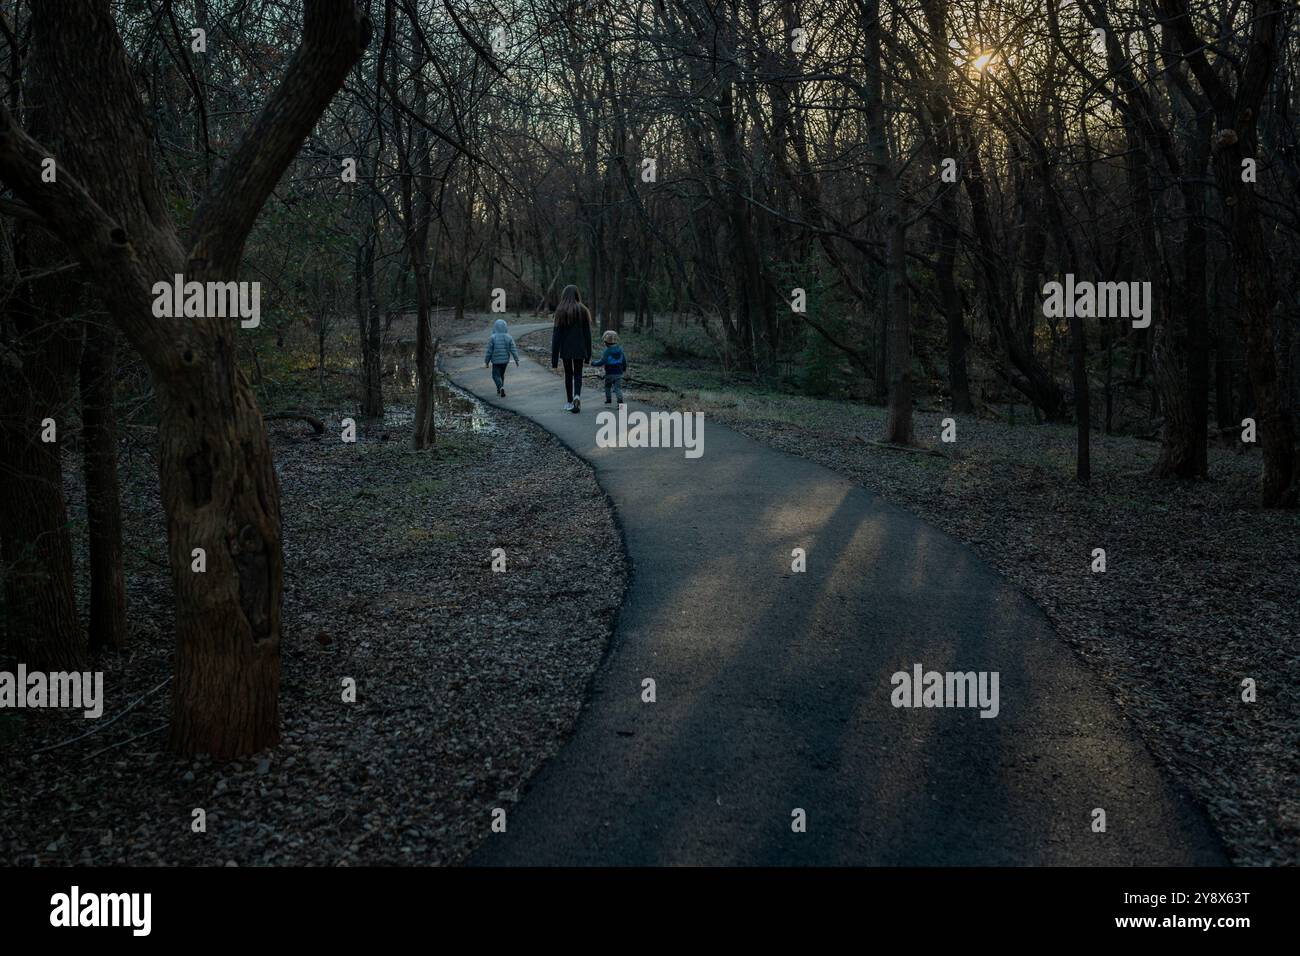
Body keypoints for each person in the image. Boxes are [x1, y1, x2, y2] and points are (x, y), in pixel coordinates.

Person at [550, 284, 592, 412]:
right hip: (580, 348)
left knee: (568, 374)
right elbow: (587, 335)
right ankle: (577, 396)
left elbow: (556, 337)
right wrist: (588, 354)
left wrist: (554, 359)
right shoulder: (583, 310)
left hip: (566, 349)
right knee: (578, 374)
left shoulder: (560, 311)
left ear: (564, 295)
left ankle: (569, 402)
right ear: (577, 295)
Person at [484, 317, 520, 396]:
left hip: (496, 361)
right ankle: (500, 389)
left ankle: (500, 387)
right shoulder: (509, 337)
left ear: (495, 327)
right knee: (501, 375)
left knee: (495, 375)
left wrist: (486, 362)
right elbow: (513, 349)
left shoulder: (493, 337)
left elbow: (489, 351)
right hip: (505, 361)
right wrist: (516, 360)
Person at [591, 330, 628, 405]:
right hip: (618, 372)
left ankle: (608, 400)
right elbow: (624, 360)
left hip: (609, 372)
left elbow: (602, 361)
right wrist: (624, 368)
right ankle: (620, 402)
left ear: (606, 343)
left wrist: (593, 363)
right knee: (618, 388)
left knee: (607, 386)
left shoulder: (607, 351)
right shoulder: (620, 350)